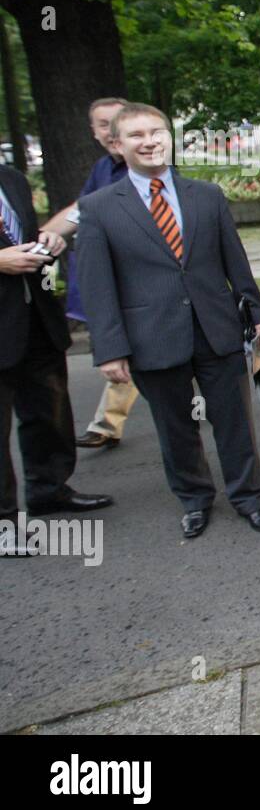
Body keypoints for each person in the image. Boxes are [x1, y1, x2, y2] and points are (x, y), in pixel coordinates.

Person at [77, 103, 260, 539]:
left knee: (235, 422)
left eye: (156, 132)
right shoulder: (98, 208)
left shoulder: (206, 196)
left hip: (217, 329)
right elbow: (98, 286)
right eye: (136, 135)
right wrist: (109, 348)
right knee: (175, 428)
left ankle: (249, 498)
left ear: (169, 137)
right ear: (118, 144)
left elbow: (235, 261)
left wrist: (256, 312)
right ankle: (194, 500)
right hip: (150, 338)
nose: (149, 141)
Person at [1, 164, 113, 557]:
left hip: (34, 319)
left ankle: (49, 491)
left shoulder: (10, 177)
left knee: (48, 413)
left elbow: (21, 236)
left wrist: (47, 240)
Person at [42, 98, 141, 451]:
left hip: (139, 284)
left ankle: (108, 423)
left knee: (144, 348)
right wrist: (41, 241)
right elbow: (80, 211)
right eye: (103, 124)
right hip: (113, 281)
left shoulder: (147, 165)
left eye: (117, 122)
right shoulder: (103, 168)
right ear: (94, 131)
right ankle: (109, 423)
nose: (111, 131)